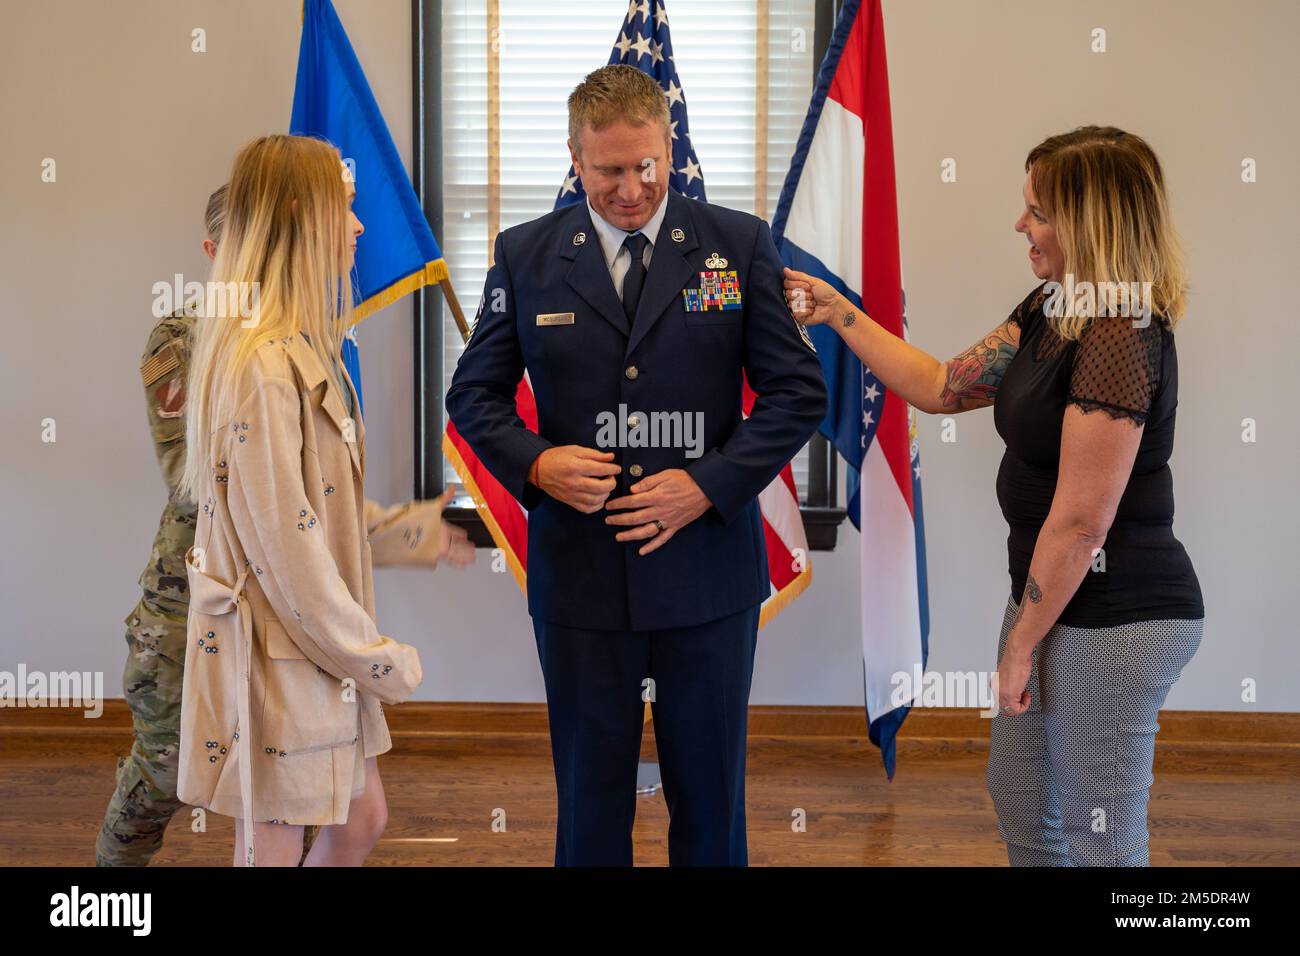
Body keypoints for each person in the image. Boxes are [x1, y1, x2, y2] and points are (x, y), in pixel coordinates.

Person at [784, 125, 1203, 866]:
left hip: (1117, 613)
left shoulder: (1120, 332)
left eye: (1037, 211)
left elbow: (1078, 524)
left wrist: (1018, 645)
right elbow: (945, 385)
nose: (1022, 226)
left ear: (1088, 223)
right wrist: (836, 310)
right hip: (1049, 599)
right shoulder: (1055, 307)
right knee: (1019, 798)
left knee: (1097, 835)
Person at [447, 64, 827, 866]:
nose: (631, 187)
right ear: (575, 159)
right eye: (609, 169)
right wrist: (538, 463)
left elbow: (798, 395)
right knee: (590, 806)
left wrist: (708, 484)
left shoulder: (736, 244)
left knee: (711, 803)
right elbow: (472, 395)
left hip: (708, 578)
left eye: (646, 165)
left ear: (669, 145)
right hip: (581, 579)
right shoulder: (525, 255)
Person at [176, 134, 471, 867]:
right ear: (302, 216)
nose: (361, 226)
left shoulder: (305, 348)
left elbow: (319, 515)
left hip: (312, 650)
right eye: (347, 207)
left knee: (362, 818)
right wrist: (378, 659)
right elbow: (291, 558)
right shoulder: (261, 369)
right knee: (272, 849)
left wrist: (416, 532)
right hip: (278, 655)